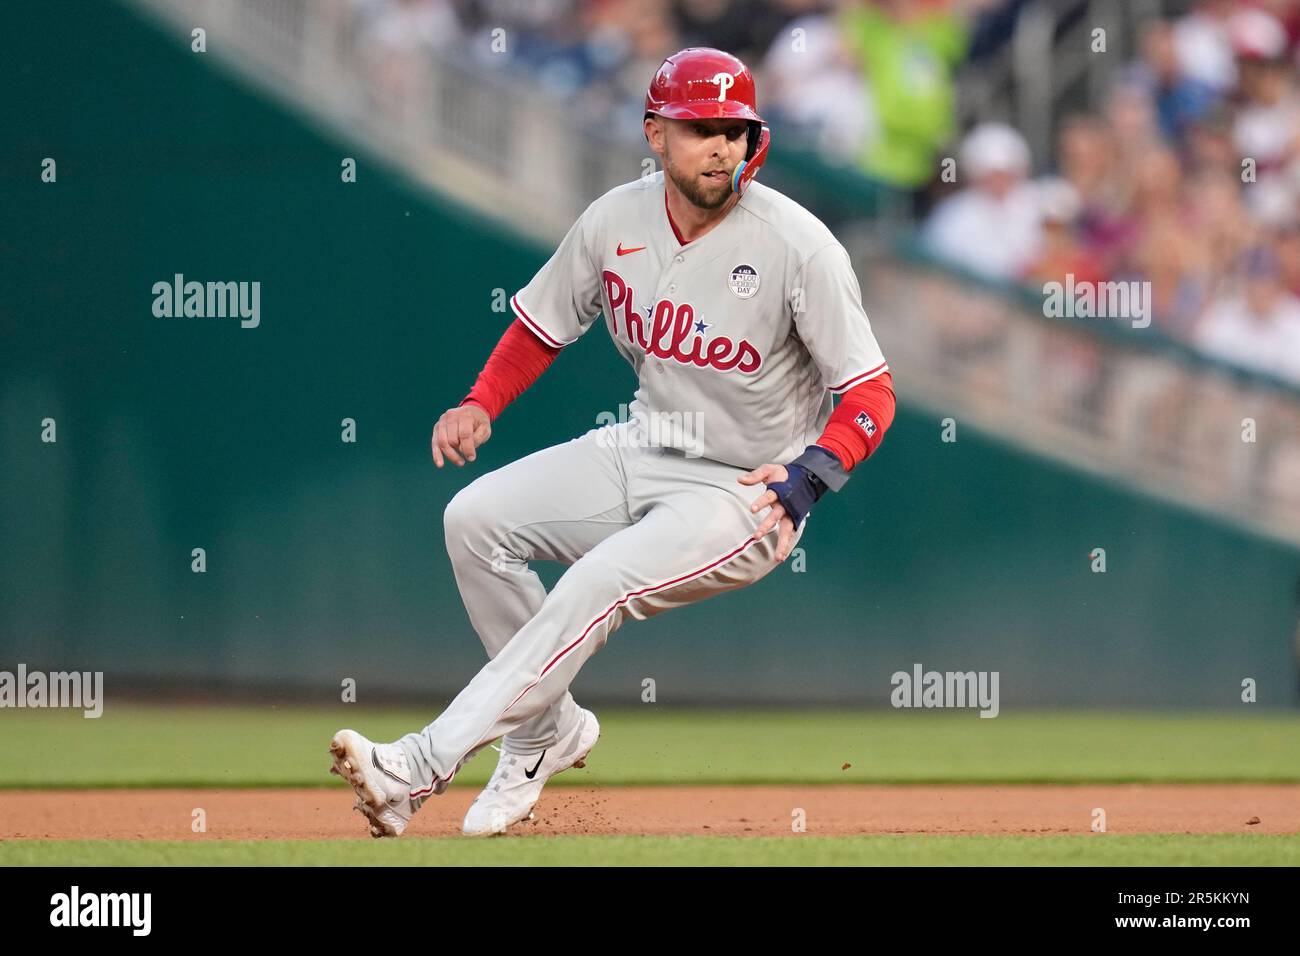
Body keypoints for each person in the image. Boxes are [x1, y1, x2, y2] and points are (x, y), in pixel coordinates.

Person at [328, 47, 897, 837]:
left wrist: (811, 474)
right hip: (645, 443)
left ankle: (420, 765)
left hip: (742, 490)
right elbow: (540, 323)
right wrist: (481, 401)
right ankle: (546, 733)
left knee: (598, 584)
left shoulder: (799, 246)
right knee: (474, 521)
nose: (722, 146)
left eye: (736, 129)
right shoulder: (614, 219)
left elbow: (870, 393)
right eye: (702, 128)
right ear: (655, 133)